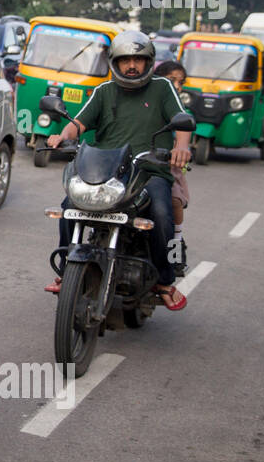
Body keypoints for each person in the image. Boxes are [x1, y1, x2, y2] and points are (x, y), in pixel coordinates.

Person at [44, 32, 193, 310]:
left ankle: (164, 280)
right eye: (126, 60)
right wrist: (61, 137)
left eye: (139, 59)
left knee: (161, 212)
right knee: (68, 207)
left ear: (149, 62)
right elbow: (79, 123)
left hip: (149, 172)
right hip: (107, 172)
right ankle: (67, 272)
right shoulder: (104, 91)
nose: (132, 65)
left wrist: (181, 147)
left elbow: (181, 122)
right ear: (115, 62)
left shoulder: (162, 88)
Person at [154, 60, 191, 273]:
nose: (177, 86)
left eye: (180, 82)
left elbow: (183, 131)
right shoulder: (148, 97)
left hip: (165, 163)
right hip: (133, 161)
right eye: (172, 80)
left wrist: (181, 148)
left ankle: (175, 246)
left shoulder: (177, 107)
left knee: (174, 200)